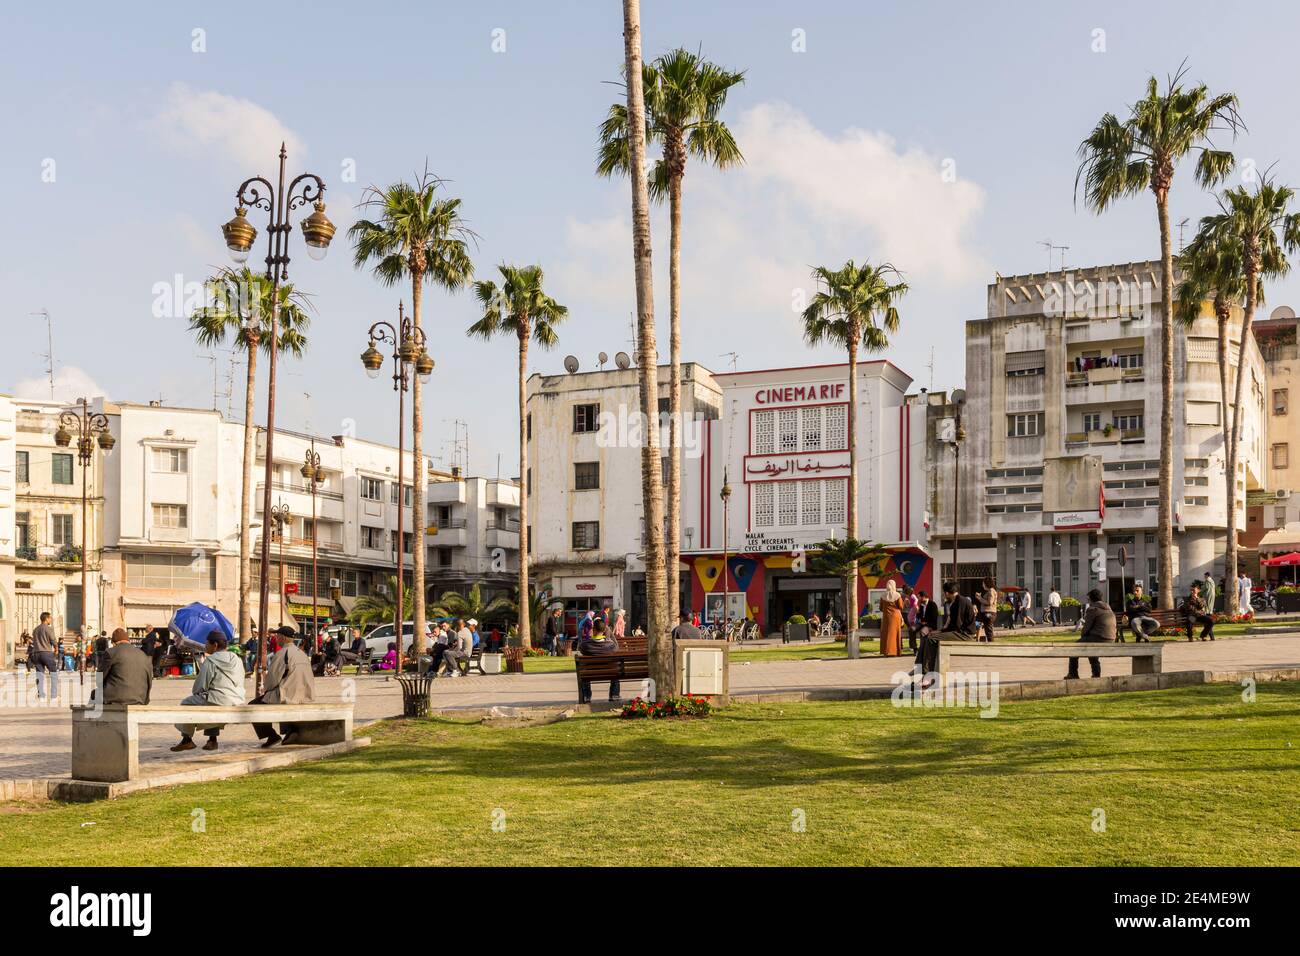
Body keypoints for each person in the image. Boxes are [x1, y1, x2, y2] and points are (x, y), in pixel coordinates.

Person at [171, 631, 246, 752]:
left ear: (215, 645)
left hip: (219, 699)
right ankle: (212, 740)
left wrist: (198, 693)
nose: (205, 646)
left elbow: (200, 686)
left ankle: (187, 740)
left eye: (207, 644)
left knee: (187, 703)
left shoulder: (210, 661)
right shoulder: (236, 659)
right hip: (237, 698)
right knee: (211, 698)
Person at [252, 625, 316, 747]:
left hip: (288, 694)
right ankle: (289, 731)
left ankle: (272, 736)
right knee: (278, 697)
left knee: (254, 705)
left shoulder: (282, 653)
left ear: (283, 637)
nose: (276, 638)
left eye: (277, 636)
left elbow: (273, 679)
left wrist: (266, 689)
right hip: (305, 694)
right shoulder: (301, 653)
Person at [918, 580, 979, 683]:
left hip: (965, 635)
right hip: (960, 632)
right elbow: (953, 626)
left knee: (931, 639)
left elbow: (956, 626)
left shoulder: (960, 602)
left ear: (946, 593)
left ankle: (927, 675)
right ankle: (920, 668)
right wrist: (940, 631)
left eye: (944, 593)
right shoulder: (958, 601)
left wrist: (940, 632)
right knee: (928, 636)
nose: (944, 595)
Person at [94, 628, 153, 706]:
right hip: (140, 698)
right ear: (129, 641)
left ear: (114, 643)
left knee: (94, 695)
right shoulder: (143, 655)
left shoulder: (111, 652)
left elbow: (99, 678)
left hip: (114, 699)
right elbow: (149, 680)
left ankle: (93, 718)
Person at [1066, 589, 1116, 679]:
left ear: (1092, 600)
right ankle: (1096, 674)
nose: (1088, 601)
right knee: (1091, 649)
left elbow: (1086, 628)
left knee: (1073, 648)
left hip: (1099, 637)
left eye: (1088, 599)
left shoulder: (1092, 609)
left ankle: (1073, 674)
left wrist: (1083, 636)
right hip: (1111, 639)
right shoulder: (1109, 609)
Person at [576, 617, 621, 703]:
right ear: (604, 630)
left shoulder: (586, 645)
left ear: (593, 629)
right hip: (609, 671)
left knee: (584, 672)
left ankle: (587, 697)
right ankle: (614, 696)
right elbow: (616, 647)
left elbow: (581, 648)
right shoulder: (610, 645)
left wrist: (590, 637)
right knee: (616, 674)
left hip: (590, 672)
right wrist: (609, 631)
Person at [29, 611, 60, 700]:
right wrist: (56, 649)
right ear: (46, 619)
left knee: (39, 674)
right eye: (50, 618)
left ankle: (41, 695)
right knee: (53, 673)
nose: (51, 620)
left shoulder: (35, 629)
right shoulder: (49, 629)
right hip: (46, 653)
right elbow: (53, 640)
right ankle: (54, 696)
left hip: (36, 653)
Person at [878, 580, 903, 657]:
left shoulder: (883, 595)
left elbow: (880, 608)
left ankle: (886, 651)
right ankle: (895, 652)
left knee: (886, 634)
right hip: (895, 617)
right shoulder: (897, 595)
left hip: (886, 617)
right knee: (895, 634)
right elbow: (901, 606)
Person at [975, 577, 999, 643]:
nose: (982, 585)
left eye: (983, 583)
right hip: (987, 613)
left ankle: (991, 644)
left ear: (986, 583)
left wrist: (979, 598)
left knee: (988, 630)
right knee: (987, 629)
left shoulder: (991, 590)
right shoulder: (990, 591)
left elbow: (989, 602)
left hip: (989, 613)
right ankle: (987, 642)